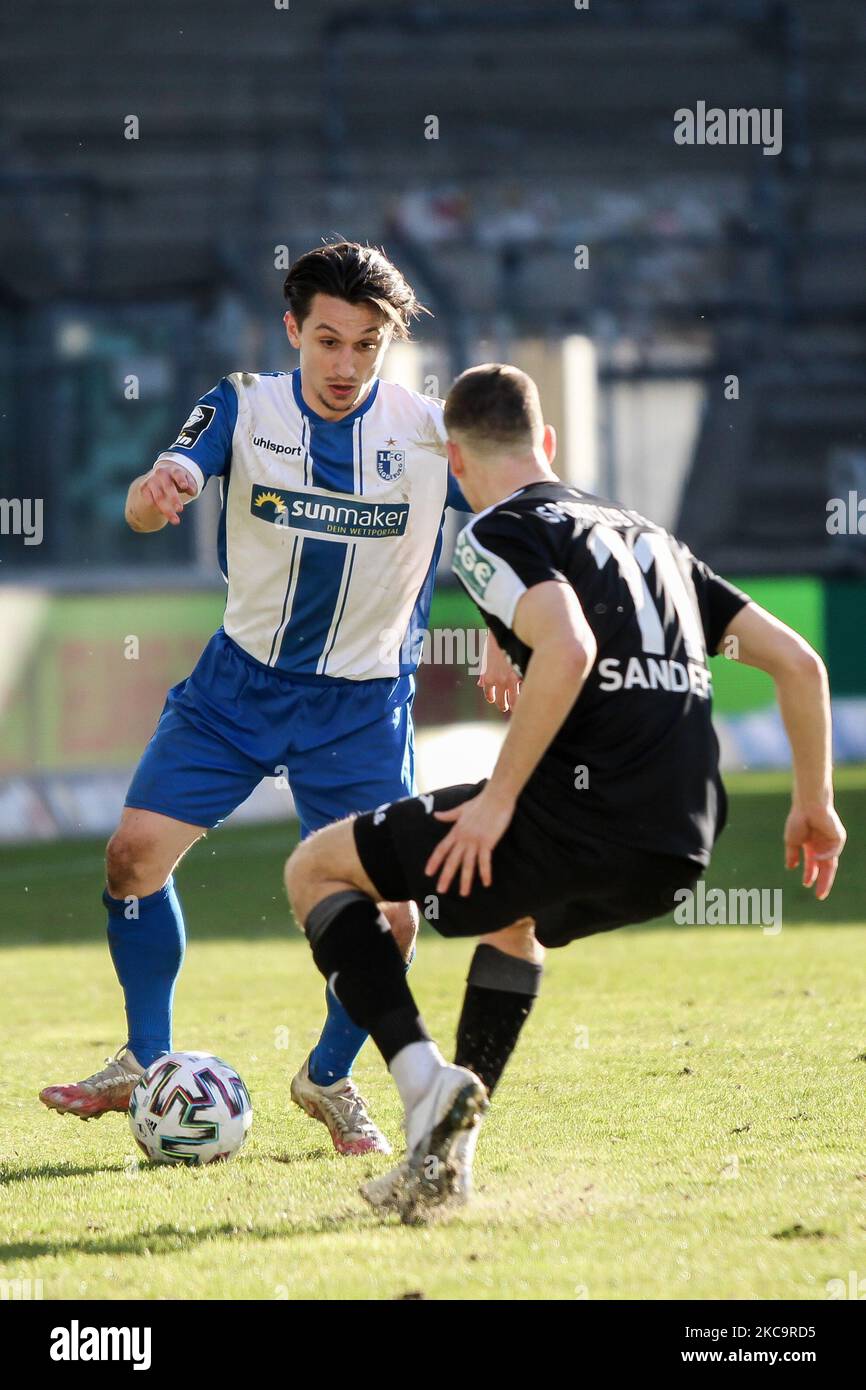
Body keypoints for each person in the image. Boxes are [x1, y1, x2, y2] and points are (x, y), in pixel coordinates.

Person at [283, 362, 847, 1222]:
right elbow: (800, 665)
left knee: (316, 871)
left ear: (457, 466)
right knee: (513, 917)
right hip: (678, 844)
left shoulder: (491, 532)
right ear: (547, 444)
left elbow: (571, 647)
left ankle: (420, 1079)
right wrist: (816, 803)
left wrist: (498, 801)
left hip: (575, 815)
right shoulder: (654, 540)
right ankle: (444, 1161)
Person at [39, 245, 517, 1155]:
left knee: (391, 920)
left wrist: (501, 625)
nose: (345, 366)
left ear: (391, 345)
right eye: (328, 341)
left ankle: (329, 1080)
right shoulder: (242, 405)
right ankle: (146, 1059)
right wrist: (158, 492)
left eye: (367, 346)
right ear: (293, 329)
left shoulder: (426, 429)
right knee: (132, 858)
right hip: (240, 685)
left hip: (362, 705)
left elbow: (504, 519)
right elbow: (153, 500)